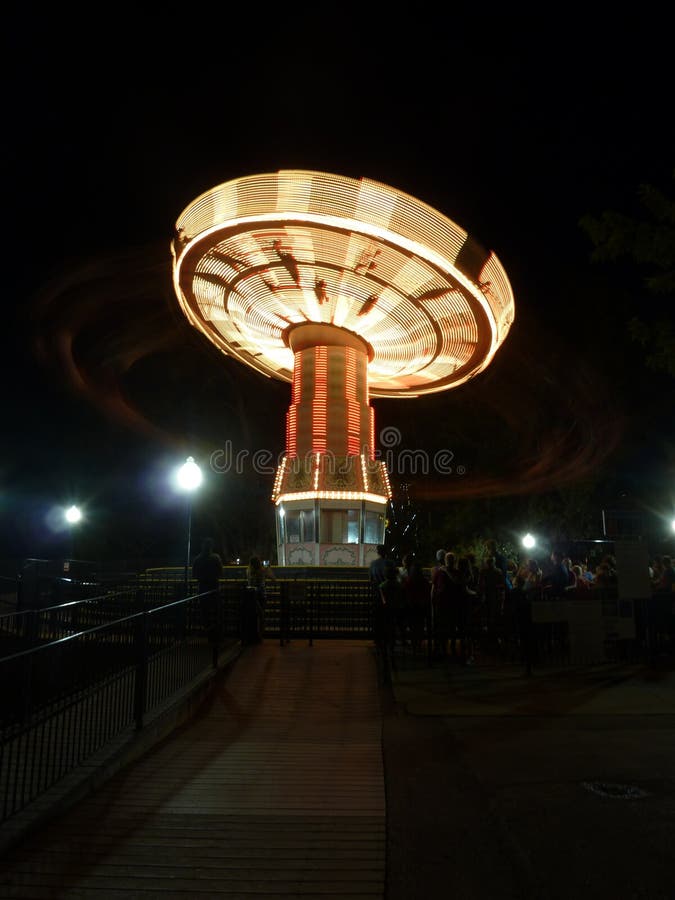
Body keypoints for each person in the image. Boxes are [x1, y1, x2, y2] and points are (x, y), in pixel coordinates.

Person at [192, 538, 224, 642]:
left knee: (205, 613)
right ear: (211, 547)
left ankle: (208, 633)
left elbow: (194, 575)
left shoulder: (197, 559)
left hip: (202, 588)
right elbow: (221, 572)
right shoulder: (216, 558)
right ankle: (216, 634)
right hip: (214, 588)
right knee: (216, 612)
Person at [246, 556, 275, 640]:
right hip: (261, 595)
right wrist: (268, 568)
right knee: (262, 615)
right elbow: (273, 578)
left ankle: (253, 634)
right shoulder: (262, 571)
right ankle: (260, 635)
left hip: (251, 595)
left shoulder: (248, 571)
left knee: (254, 616)